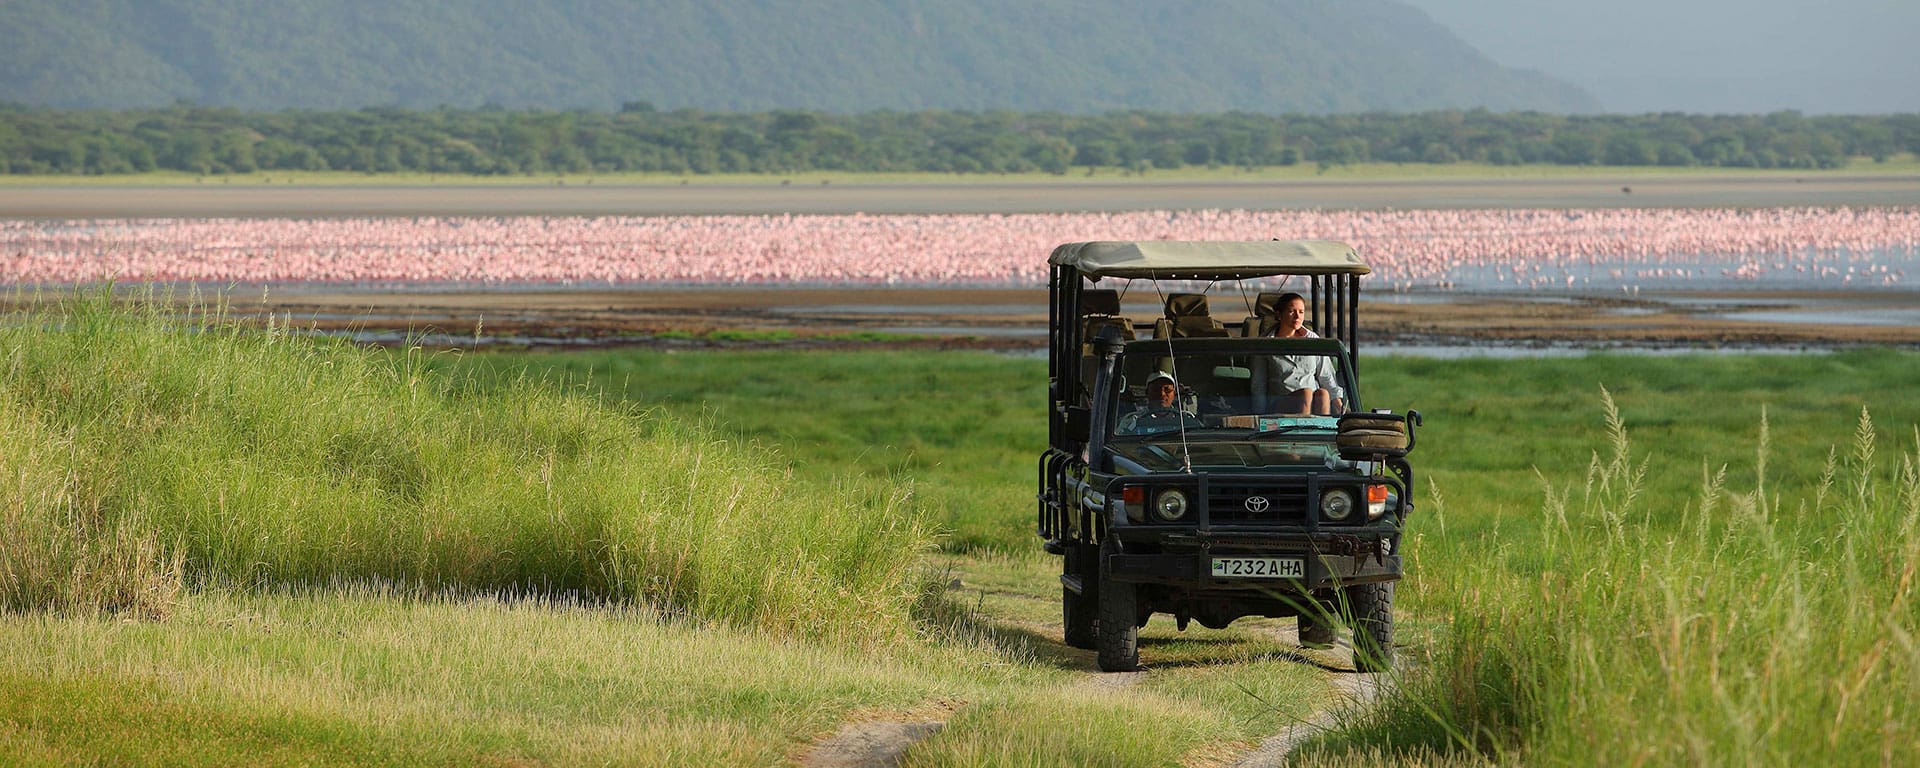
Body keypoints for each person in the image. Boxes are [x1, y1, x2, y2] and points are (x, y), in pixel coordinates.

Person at [1261, 292, 1345, 415]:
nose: (1297, 317)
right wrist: (1258, 415)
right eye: (1291, 311)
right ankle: (1301, 432)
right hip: (1280, 403)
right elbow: (1259, 383)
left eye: (1301, 312)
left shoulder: (1313, 340)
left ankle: (1323, 431)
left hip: (1312, 401)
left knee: (1323, 394)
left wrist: (1339, 405)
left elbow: (1326, 376)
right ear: (1279, 314)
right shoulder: (1265, 342)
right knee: (1305, 394)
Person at [1116, 370, 1205, 435]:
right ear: (1147, 393)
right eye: (1156, 390)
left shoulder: (1186, 419)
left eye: (1167, 390)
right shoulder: (1132, 420)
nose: (1162, 394)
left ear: (1174, 394)